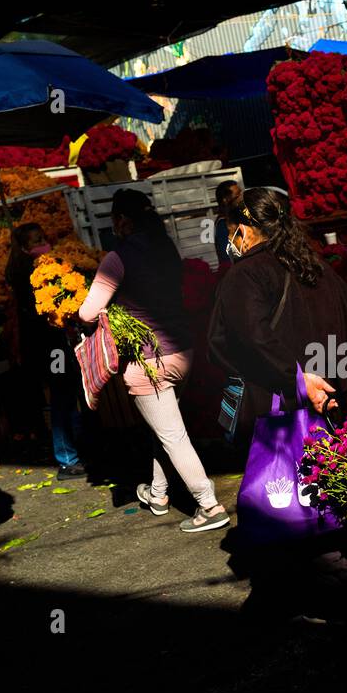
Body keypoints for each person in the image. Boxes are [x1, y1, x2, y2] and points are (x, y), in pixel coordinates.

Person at [207, 185, 347, 622]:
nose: (230, 238)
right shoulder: (314, 267)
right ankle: (338, 589)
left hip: (286, 409)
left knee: (283, 502)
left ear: (246, 229)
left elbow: (244, 340)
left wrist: (297, 377)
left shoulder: (245, 275)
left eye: (232, 228)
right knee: (322, 495)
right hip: (336, 405)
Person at [79, 189, 228, 533]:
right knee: (165, 431)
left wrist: (98, 308)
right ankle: (159, 494)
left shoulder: (118, 258)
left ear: (123, 220)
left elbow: (87, 312)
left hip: (149, 362)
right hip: (183, 351)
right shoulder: (166, 247)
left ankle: (209, 505)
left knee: (173, 436)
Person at [7, 223, 84, 481]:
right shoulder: (30, 273)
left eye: (42, 237)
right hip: (49, 348)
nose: (42, 243)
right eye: (35, 241)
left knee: (68, 395)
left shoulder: (43, 267)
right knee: (62, 397)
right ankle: (66, 459)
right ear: (23, 247)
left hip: (53, 344)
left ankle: (76, 452)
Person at [212, 180, 242, 267]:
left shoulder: (237, 217)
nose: (241, 198)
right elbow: (228, 256)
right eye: (237, 195)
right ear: (225, 200)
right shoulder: (223, 223)